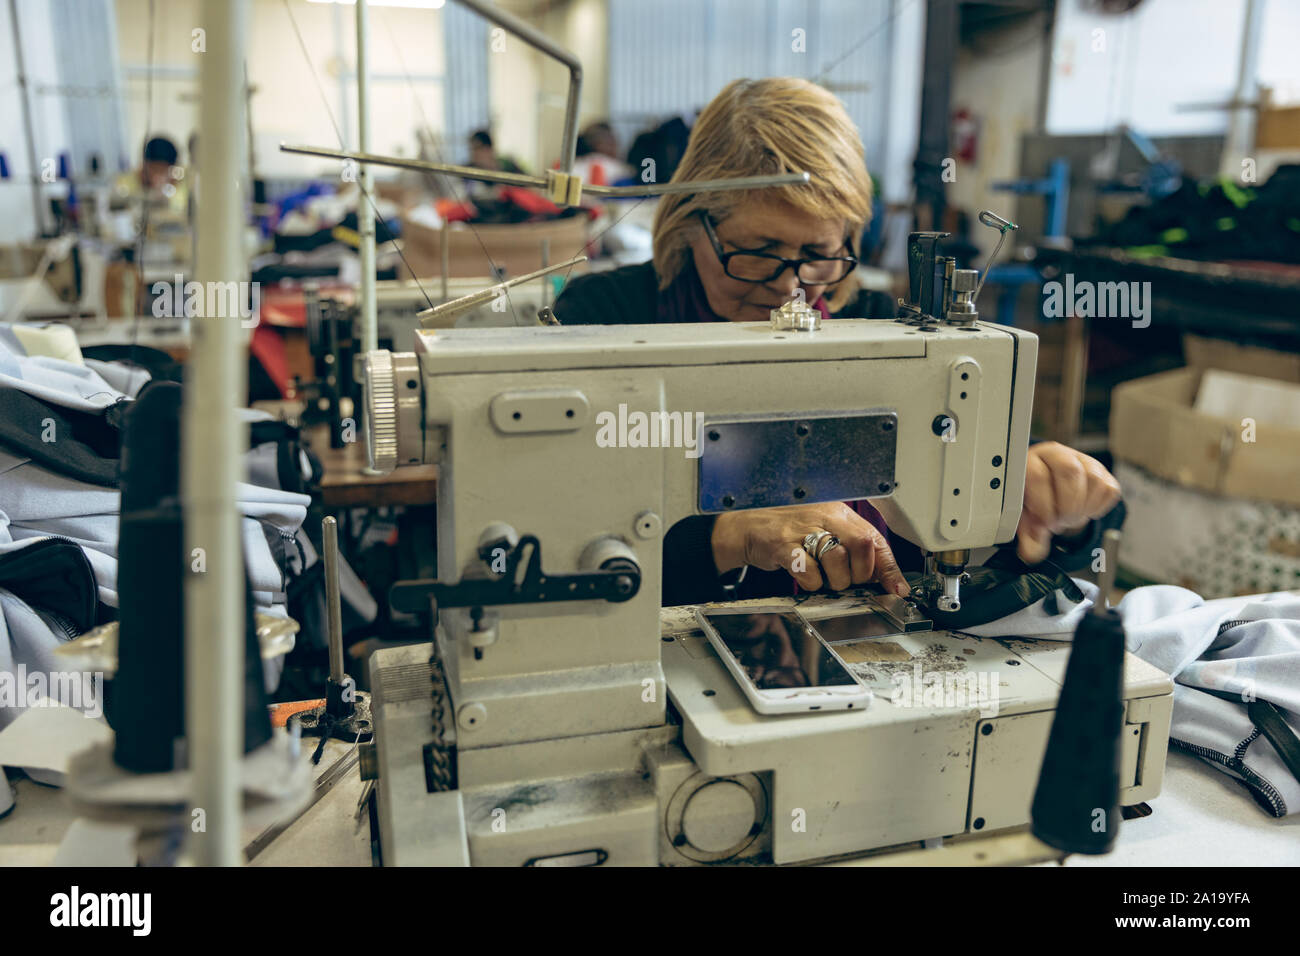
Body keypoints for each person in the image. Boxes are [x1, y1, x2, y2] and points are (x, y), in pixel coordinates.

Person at [554, 77, 1123, 608]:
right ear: (688, 224)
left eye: (819, 254)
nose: (788, 285)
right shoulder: (603, 320)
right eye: (757, 249)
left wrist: (1052, 503)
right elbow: (559, 537)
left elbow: (975, 496)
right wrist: (725, 537)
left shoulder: (881, 328)